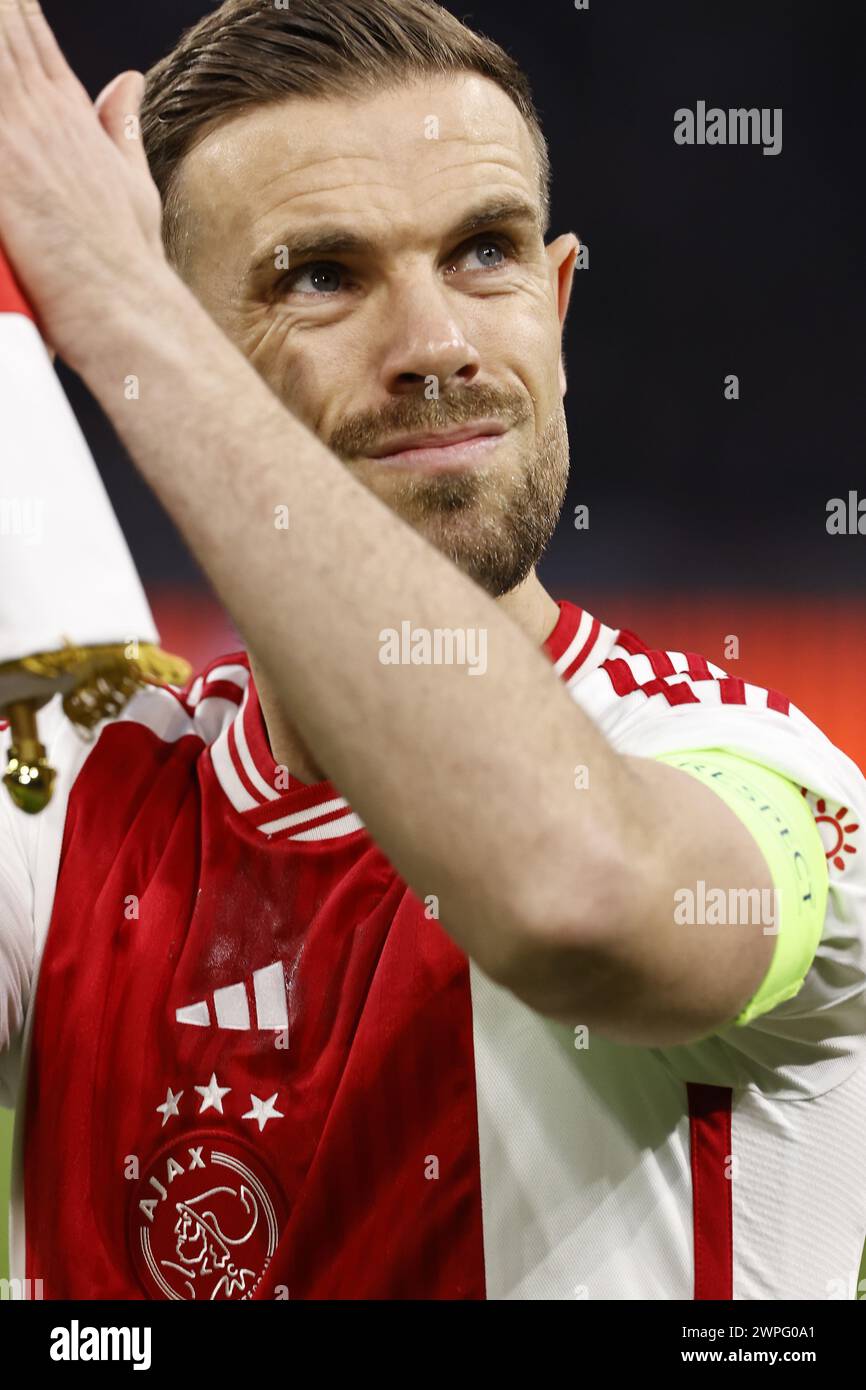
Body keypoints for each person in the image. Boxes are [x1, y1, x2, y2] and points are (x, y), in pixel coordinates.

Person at [0, 0, 864, 1300]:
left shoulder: (742, 770)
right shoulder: (79, 803)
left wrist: (117, 311)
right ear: (196, 345)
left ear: (559, 297)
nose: (439, 348)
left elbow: (574, 899)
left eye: (482, 252)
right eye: (320, 276)